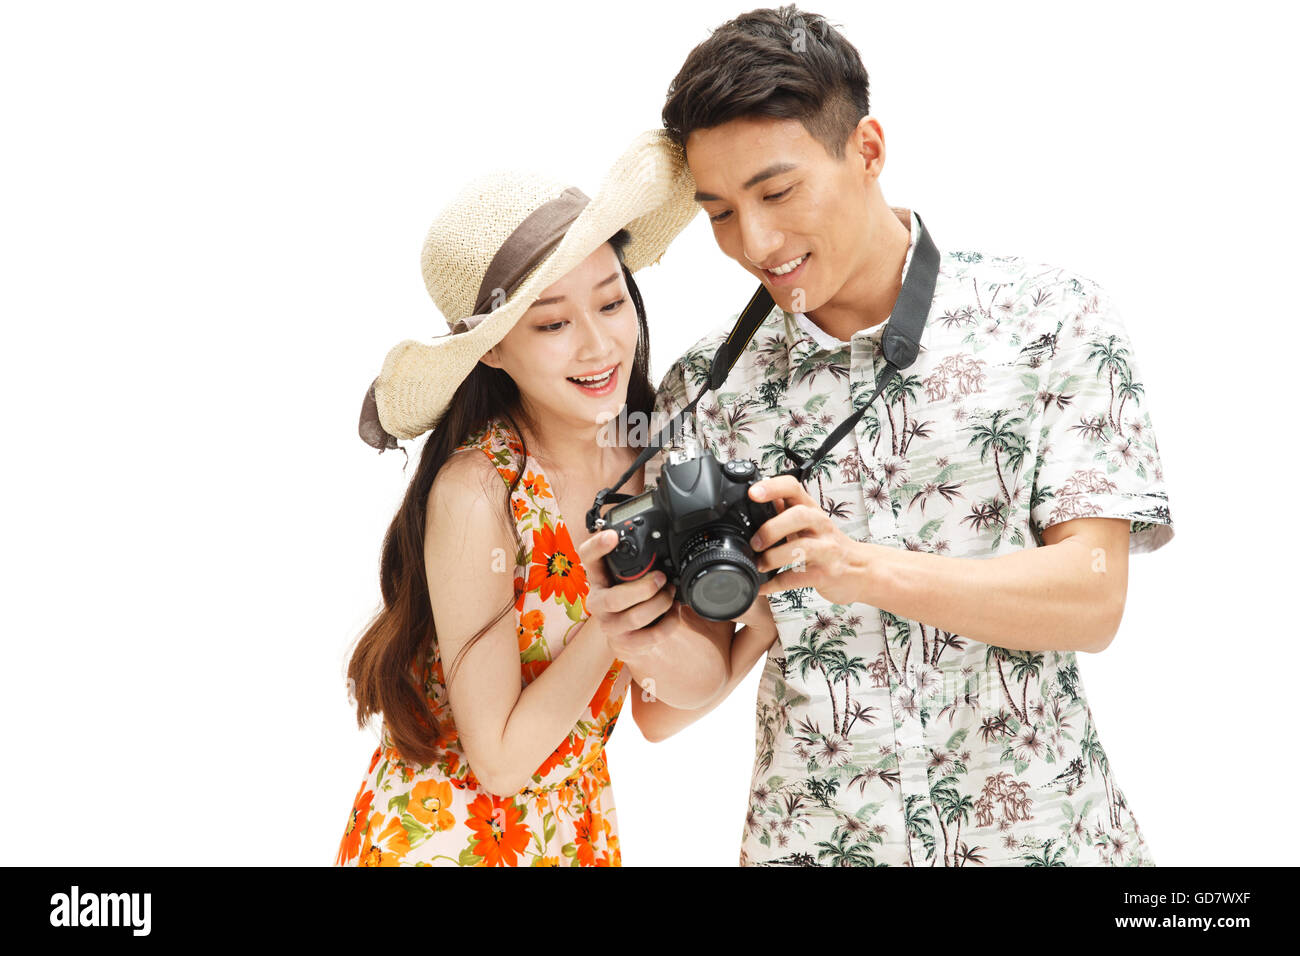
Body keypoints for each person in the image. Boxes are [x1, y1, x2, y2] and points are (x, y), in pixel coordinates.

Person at [614, 6, 1175, 866]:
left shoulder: (1051, 319)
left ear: (868, 150)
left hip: (1047, 840)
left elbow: (1092, 599)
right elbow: (677, 699)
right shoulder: (701, 391)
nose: (754, 243)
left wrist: (862, 569)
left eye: (776, 191)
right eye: (720, 212)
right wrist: (642, 636)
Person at [333, 129, 759, 866]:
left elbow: (660, 710)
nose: (598, 347)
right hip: (446, 838)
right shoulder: (479, 492)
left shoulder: (654, 460)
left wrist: (771, 608)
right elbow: (498, 760)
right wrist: (609, 622)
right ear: (492, 350)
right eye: (555, 324)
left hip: (572, 832)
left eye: (611, 301)